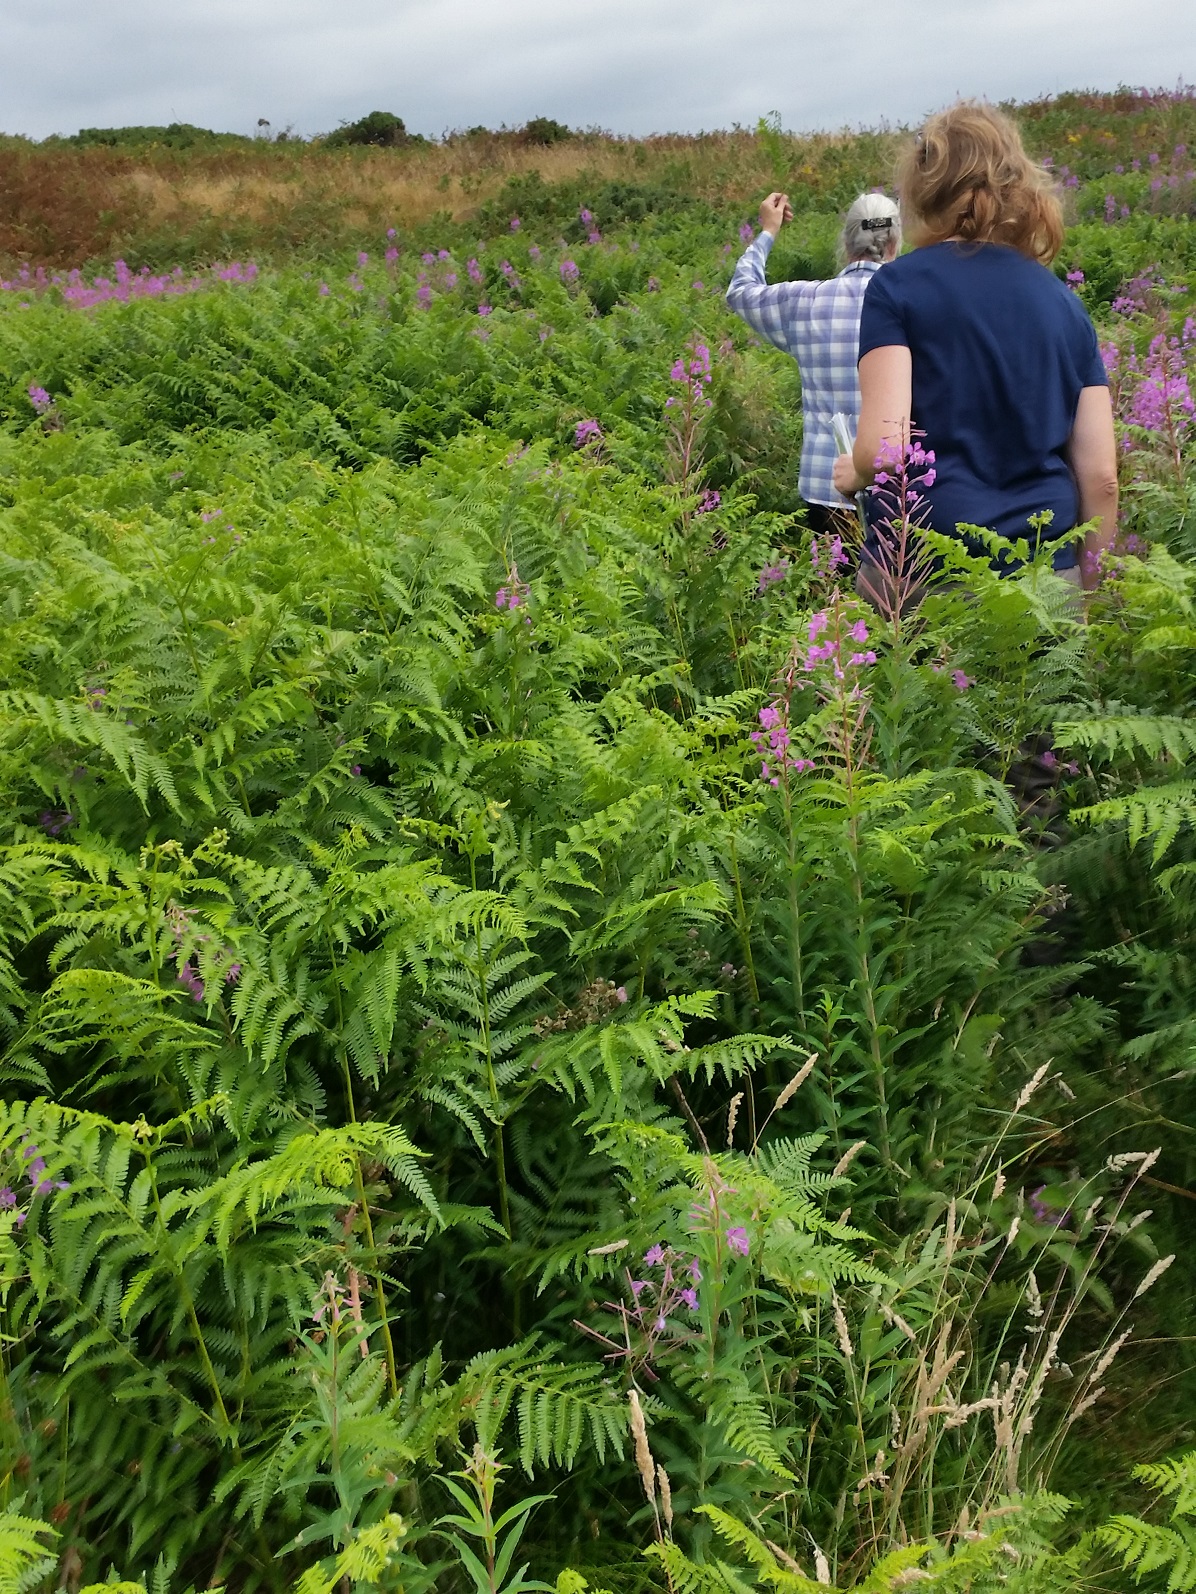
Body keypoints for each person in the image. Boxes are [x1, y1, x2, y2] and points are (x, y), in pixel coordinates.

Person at [832, 101, 1117, 598]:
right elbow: (1102, 479)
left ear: (922, 190)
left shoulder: (896, 289)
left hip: (924, 578)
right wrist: (1089, 596)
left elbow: (885, 449)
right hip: (1046, 582)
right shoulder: (1065, 306)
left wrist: (854, 471)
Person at [726, 190, 902, 536]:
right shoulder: (913, 304)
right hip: (896, 487)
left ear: (846, 241)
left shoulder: (804, 300)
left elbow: (740, 291)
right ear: (894, 243)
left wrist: (768, 230)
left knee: (831, 588)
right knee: (892, 588)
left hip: (826, 488)